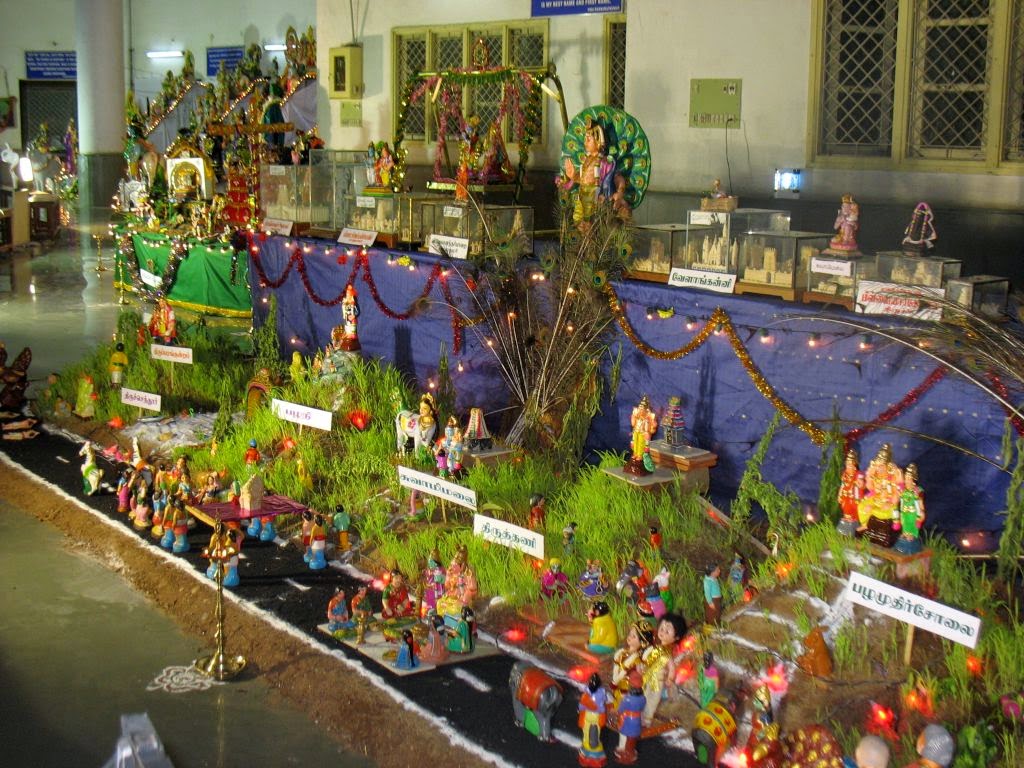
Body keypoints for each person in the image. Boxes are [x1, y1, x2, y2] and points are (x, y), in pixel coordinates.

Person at [559, 117, 630, 229]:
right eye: (584, 139)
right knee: (577, 220)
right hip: (582, 195)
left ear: (598, 142)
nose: (585, 142)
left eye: (588, 139)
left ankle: (590, 237)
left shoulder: (605, 162)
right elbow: (582, 179)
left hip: (596, 197)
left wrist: (620, 192)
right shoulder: (586, 161)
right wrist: (573, 176)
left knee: (591, 225)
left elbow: (618, 178)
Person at [611, 621, 653, 709]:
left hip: (628, 690)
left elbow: (638, 677)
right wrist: (615, 680)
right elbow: (617, 668)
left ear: (642, 643)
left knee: (623, 706)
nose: (629, 637)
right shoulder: (622, 653)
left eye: (634, 636)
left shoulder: (637, 660)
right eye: (630, 634)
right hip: (618, 686)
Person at [614, 670, 646, 765]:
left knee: (624, 734)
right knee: (632, 737)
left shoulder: (627, 699)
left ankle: (622, 750)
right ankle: (629, 750)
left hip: (627, 719)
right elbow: (642, 707)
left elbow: (621, 709)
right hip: (636, 719)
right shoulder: (643, 698)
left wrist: (618, 712)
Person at [578, 672, 608, 767]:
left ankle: (587, 746)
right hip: (596, 716)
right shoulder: (601, 693)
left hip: (589, 715)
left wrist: (580, 709)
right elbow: (605, 701)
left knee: (588, 732)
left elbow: (581, 706)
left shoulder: (586, 694)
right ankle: (590, 746)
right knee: (594, 731)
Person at [894, 464, 926, 554]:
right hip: (904, 511)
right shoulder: (903, 490)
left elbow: (920, 504)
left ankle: (912, 535)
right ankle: (905, 533)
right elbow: (899, 500)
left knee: (912, 523)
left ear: (913, 480)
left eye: (909, 479)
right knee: (905, 522)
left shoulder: (918, 491)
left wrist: (921, 512)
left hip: (914, 512)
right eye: (906, 478)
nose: (907, 481)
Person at [626, 396, 658, 475]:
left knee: (641, 444)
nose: (640, 411)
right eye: (639, 409)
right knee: (635, 444)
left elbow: (649, 429)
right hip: (636, 432)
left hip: (643, 434)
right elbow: (633, 425)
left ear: (646, 410)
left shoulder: (647, 419)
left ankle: (640, 455)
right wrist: (633, 416)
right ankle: (635, 454)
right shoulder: (637, 418)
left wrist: (647, 442)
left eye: (642, 409)